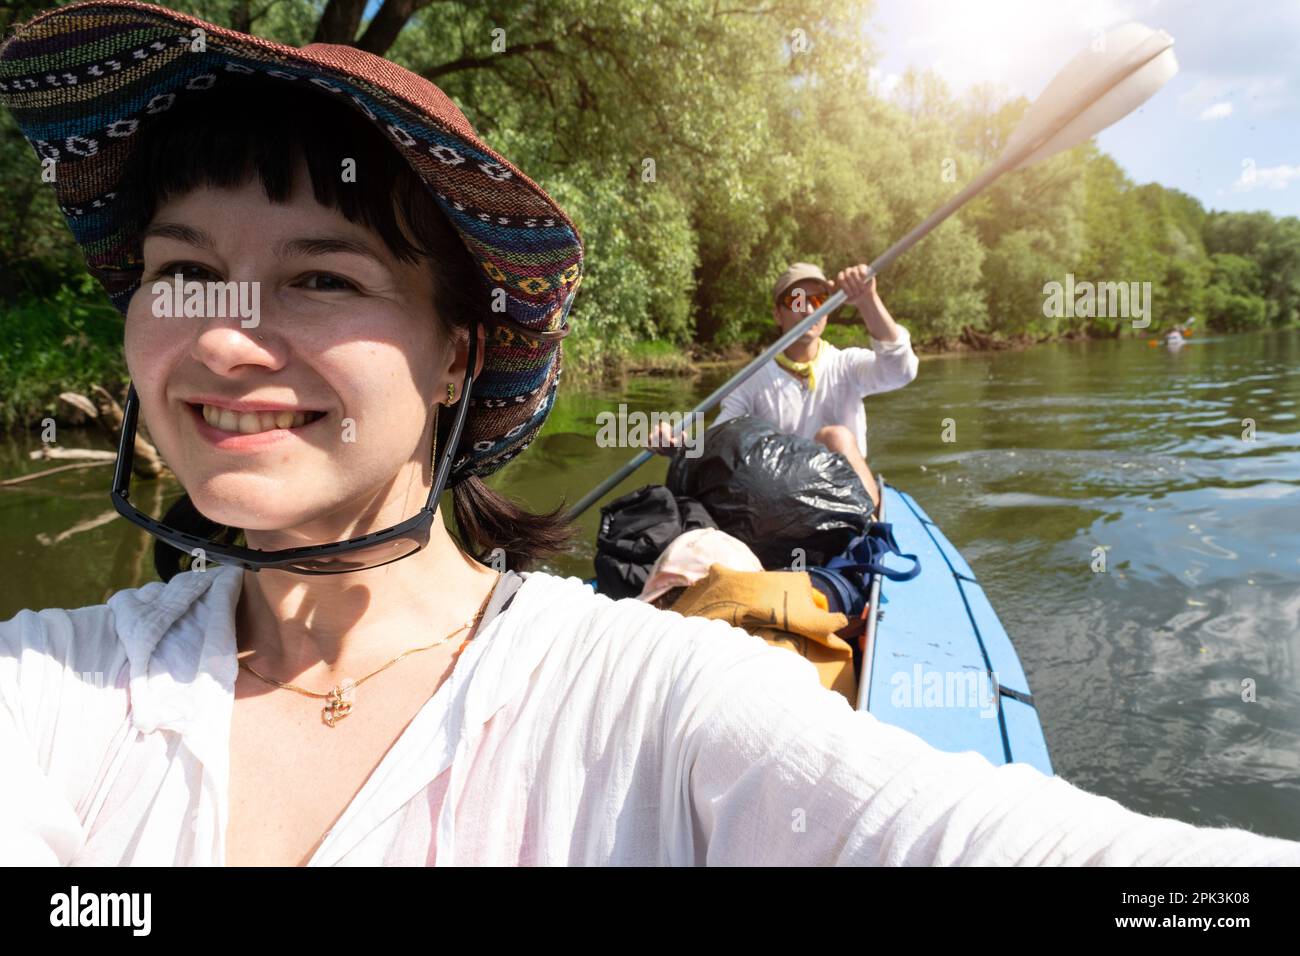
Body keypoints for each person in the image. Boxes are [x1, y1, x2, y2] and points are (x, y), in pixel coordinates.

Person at [2, 2, 1298, 867]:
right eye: (184, 275)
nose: (225, 338)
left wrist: (863, 311)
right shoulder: (46, 694)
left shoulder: (655, 703)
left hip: (837, 504)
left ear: (458, 356)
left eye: (322, 278)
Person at [652, 262, 918, 510]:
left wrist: (867, 300)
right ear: (778, 314)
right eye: (797, 300)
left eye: (818, 301)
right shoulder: (749, 380)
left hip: (847, 498)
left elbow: (901, 371)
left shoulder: (846, 364)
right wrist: (679, 444)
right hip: (780, 504)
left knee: (835, 437)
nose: (809, 309)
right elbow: (716, 445)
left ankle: (870, 527)